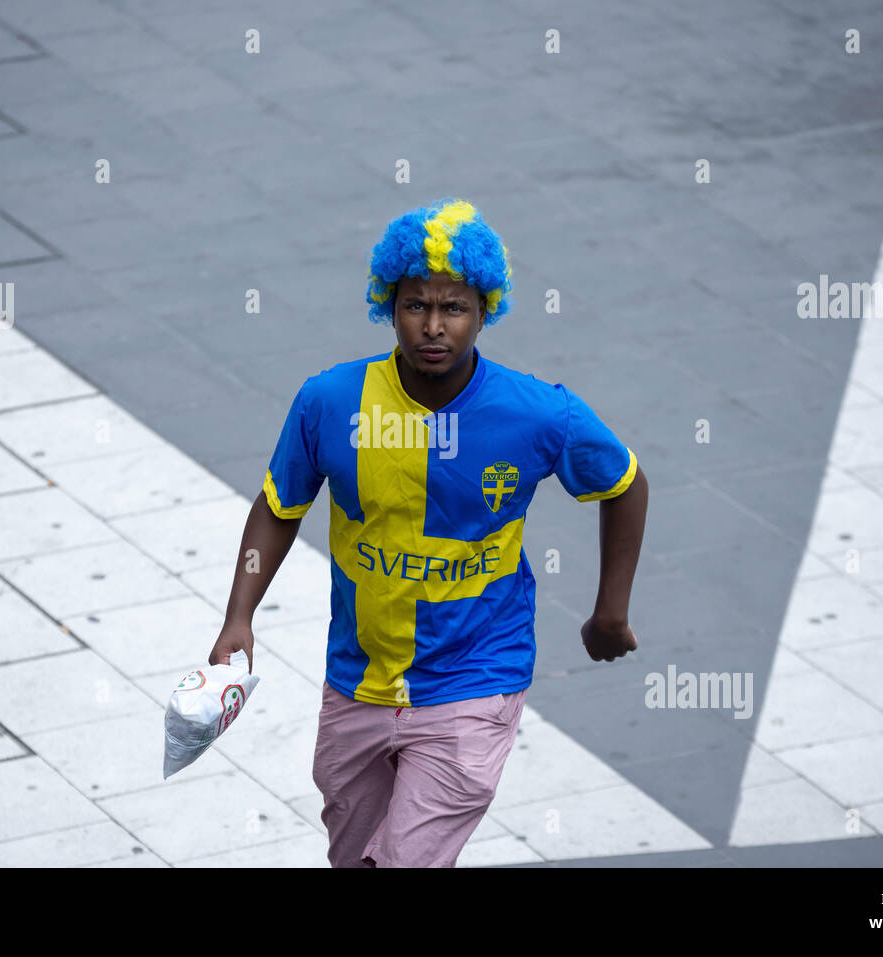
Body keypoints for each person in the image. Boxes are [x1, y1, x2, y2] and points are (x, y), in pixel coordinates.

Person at [208, 197, 648, 867]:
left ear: (484, 310)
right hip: (357, 678)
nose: (434, 327)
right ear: (388, 303)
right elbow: (278, 504)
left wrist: (610, 610)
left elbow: (623, 482)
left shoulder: (536, 413)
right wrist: (239, 615)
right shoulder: (330, 401)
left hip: (476, 675)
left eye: (455, 308)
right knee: (355, 857)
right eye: (416, 305)